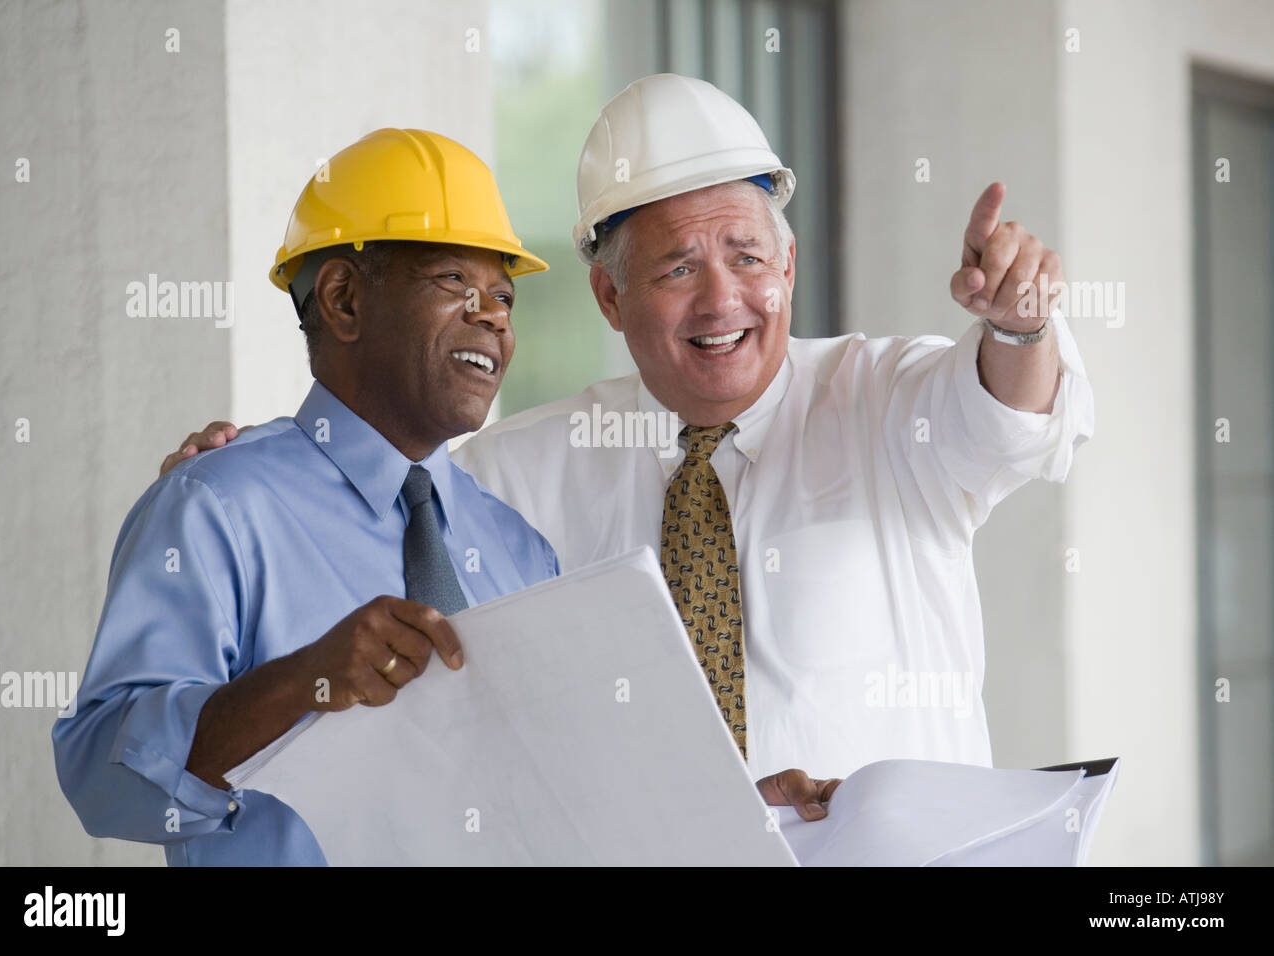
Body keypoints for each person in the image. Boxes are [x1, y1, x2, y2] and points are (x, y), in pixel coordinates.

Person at [164, 74, 1094, 793]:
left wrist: (1018, 325)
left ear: (789, 264)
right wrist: (268, 464)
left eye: (746, 256)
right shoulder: (524, 470)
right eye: (677, 269)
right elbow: (386, 495)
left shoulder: (890, 401)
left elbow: (1008, 417)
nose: (722, 299)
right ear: (608, 296)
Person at [52, 129, 563, 865]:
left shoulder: (521, 551)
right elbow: (100, 779)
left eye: (504, 296)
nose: (494, 316)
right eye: (455, 281)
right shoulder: (213, 509)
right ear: (344, 299)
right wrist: (303, 682)